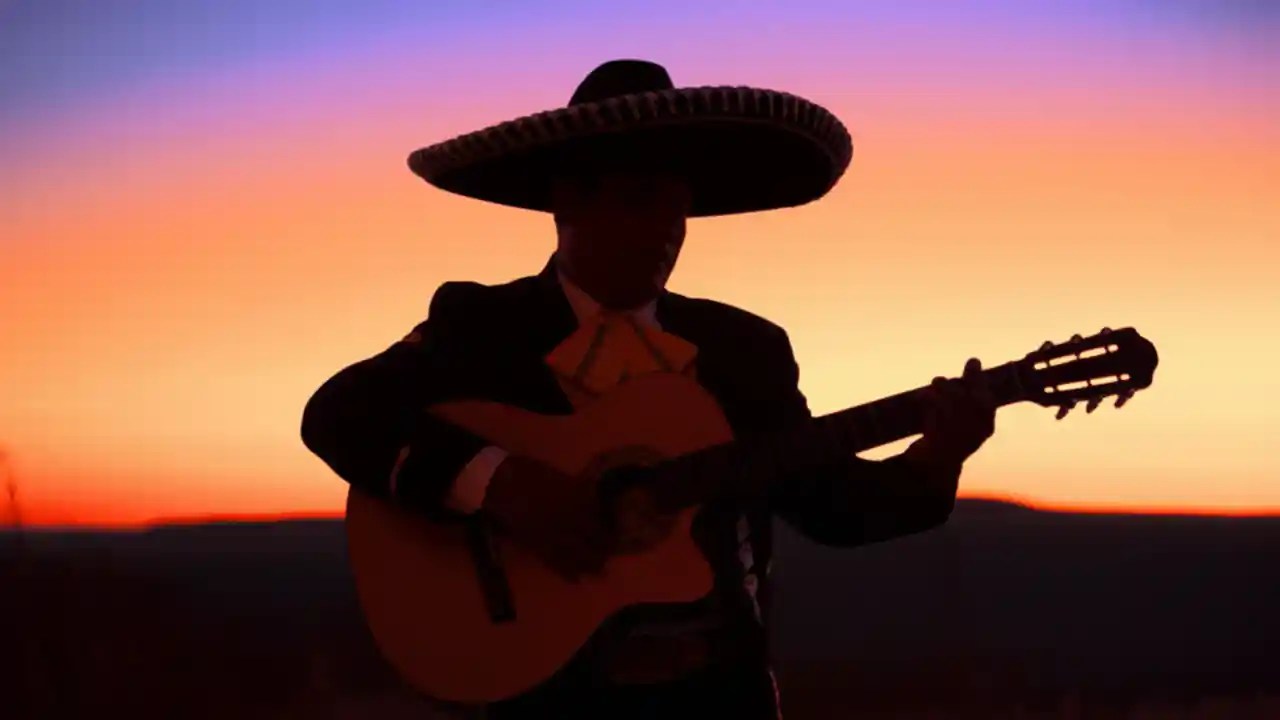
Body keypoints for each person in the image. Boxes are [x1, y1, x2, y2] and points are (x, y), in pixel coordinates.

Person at [300, 59, 996, 719]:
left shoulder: (745, 350)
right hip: (552, 704)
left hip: (721, 701)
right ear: (566, 201)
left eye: (678, 205)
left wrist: (939, 456)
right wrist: (500, 482)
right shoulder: (485, 326)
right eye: (640, 198)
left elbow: (830, 506)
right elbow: (338, 414)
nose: (666, 227)